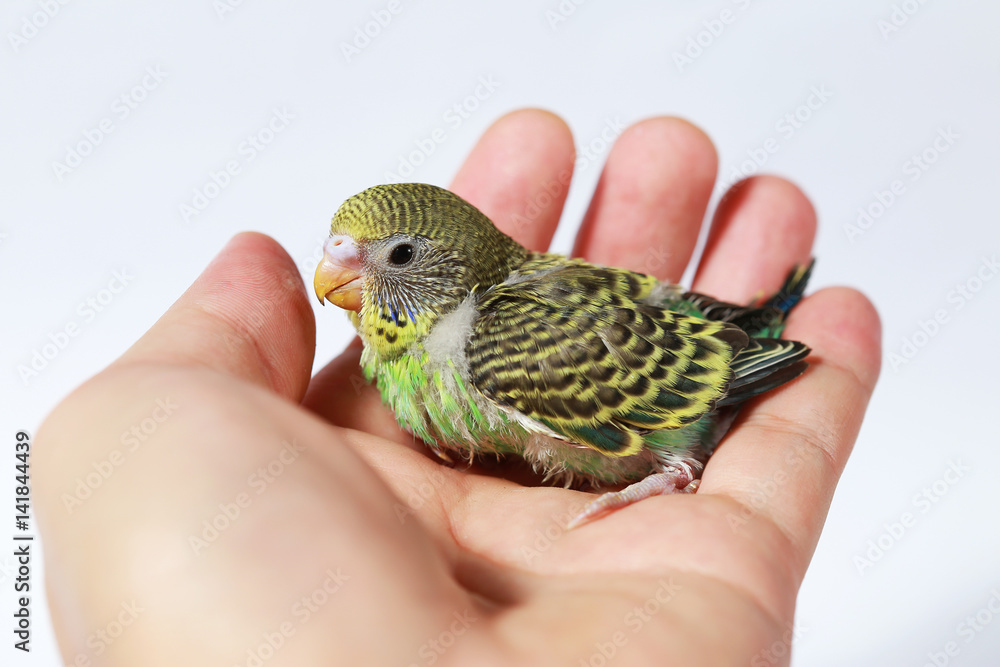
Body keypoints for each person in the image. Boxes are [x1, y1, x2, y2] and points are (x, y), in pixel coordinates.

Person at [35, 109, 880, 666]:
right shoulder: (406, 351)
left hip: (697, 371)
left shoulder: (503, 347)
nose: (337, 277)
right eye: (342, 253)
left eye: (395, 258)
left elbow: (675, 382)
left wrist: (675, 464)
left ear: (447, 270)